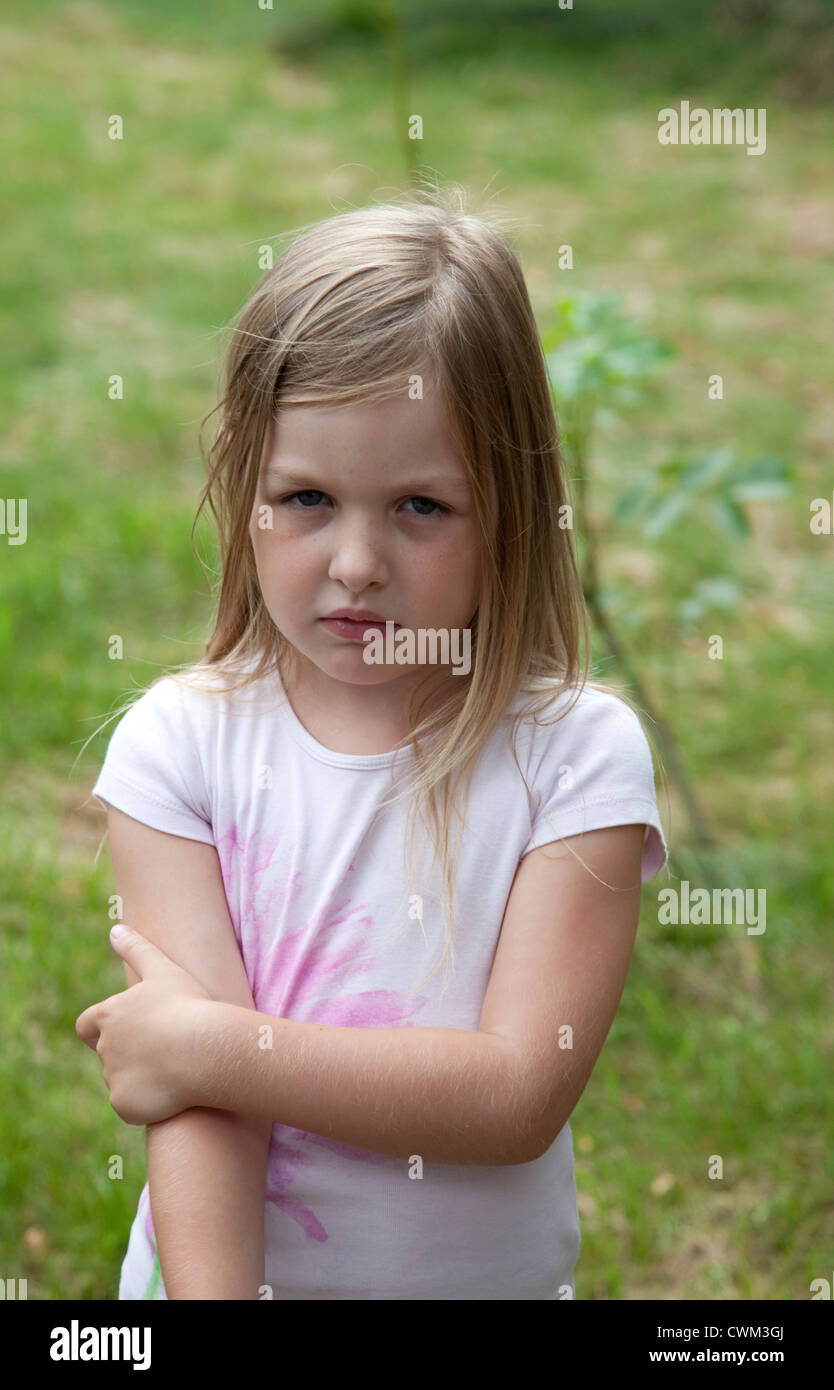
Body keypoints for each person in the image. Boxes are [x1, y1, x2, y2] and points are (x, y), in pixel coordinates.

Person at [78, 185, 669, 1301]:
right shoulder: (180, 749)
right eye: (306, 498)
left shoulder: (574, 758)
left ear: (510, 506)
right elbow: (205, 1124)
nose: (356, 563)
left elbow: (514, 1095)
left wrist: (210, 1043)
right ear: (242, 494)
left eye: (420, 507)